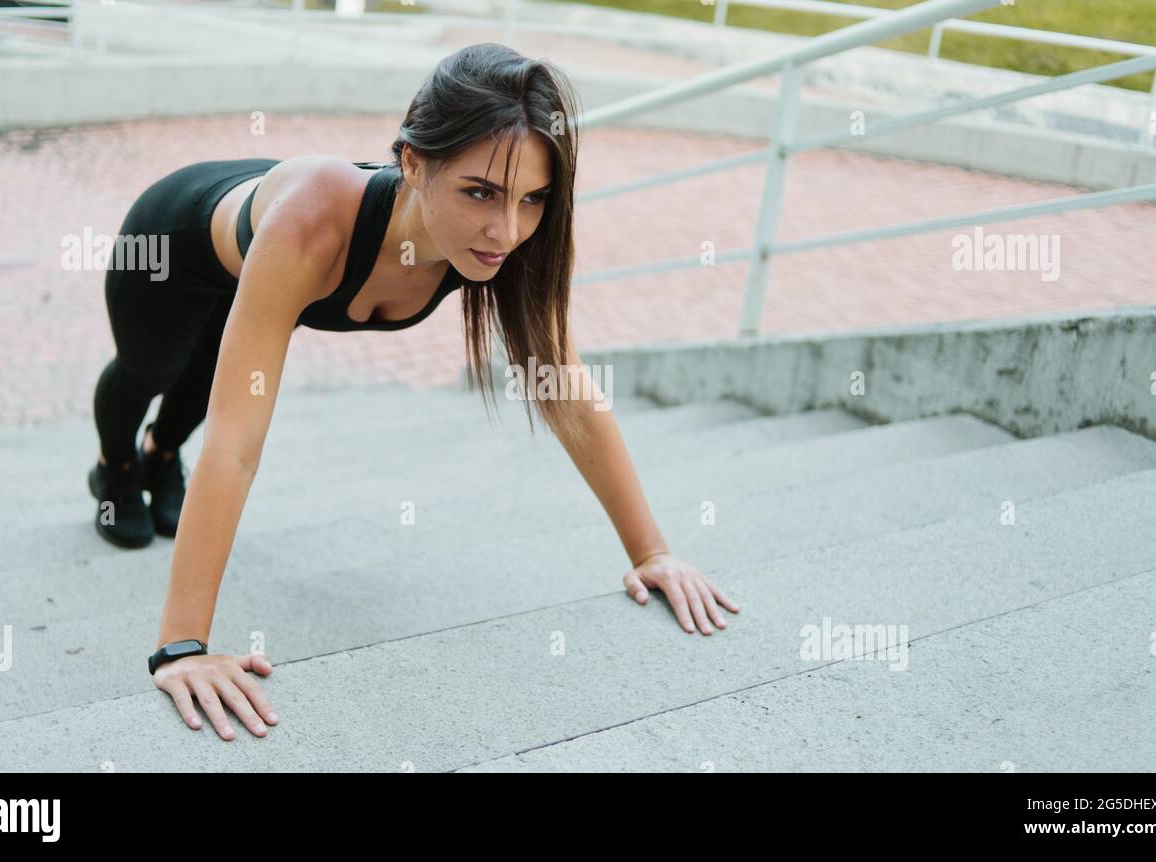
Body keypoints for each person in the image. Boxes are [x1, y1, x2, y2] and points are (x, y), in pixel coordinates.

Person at [88, 42, 740, 741]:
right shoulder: (311, 224)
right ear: (412, 161)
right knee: (152, 372)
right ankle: (118, 468)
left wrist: (652, 553)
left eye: (533, 199)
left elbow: (567, 392)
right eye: (480, 192)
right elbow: (239, 441)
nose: (507, 230)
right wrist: (182, 645)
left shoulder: (501, 245)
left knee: (199, 379)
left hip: (251, 253)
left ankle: (160, 456)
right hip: (167, 245)